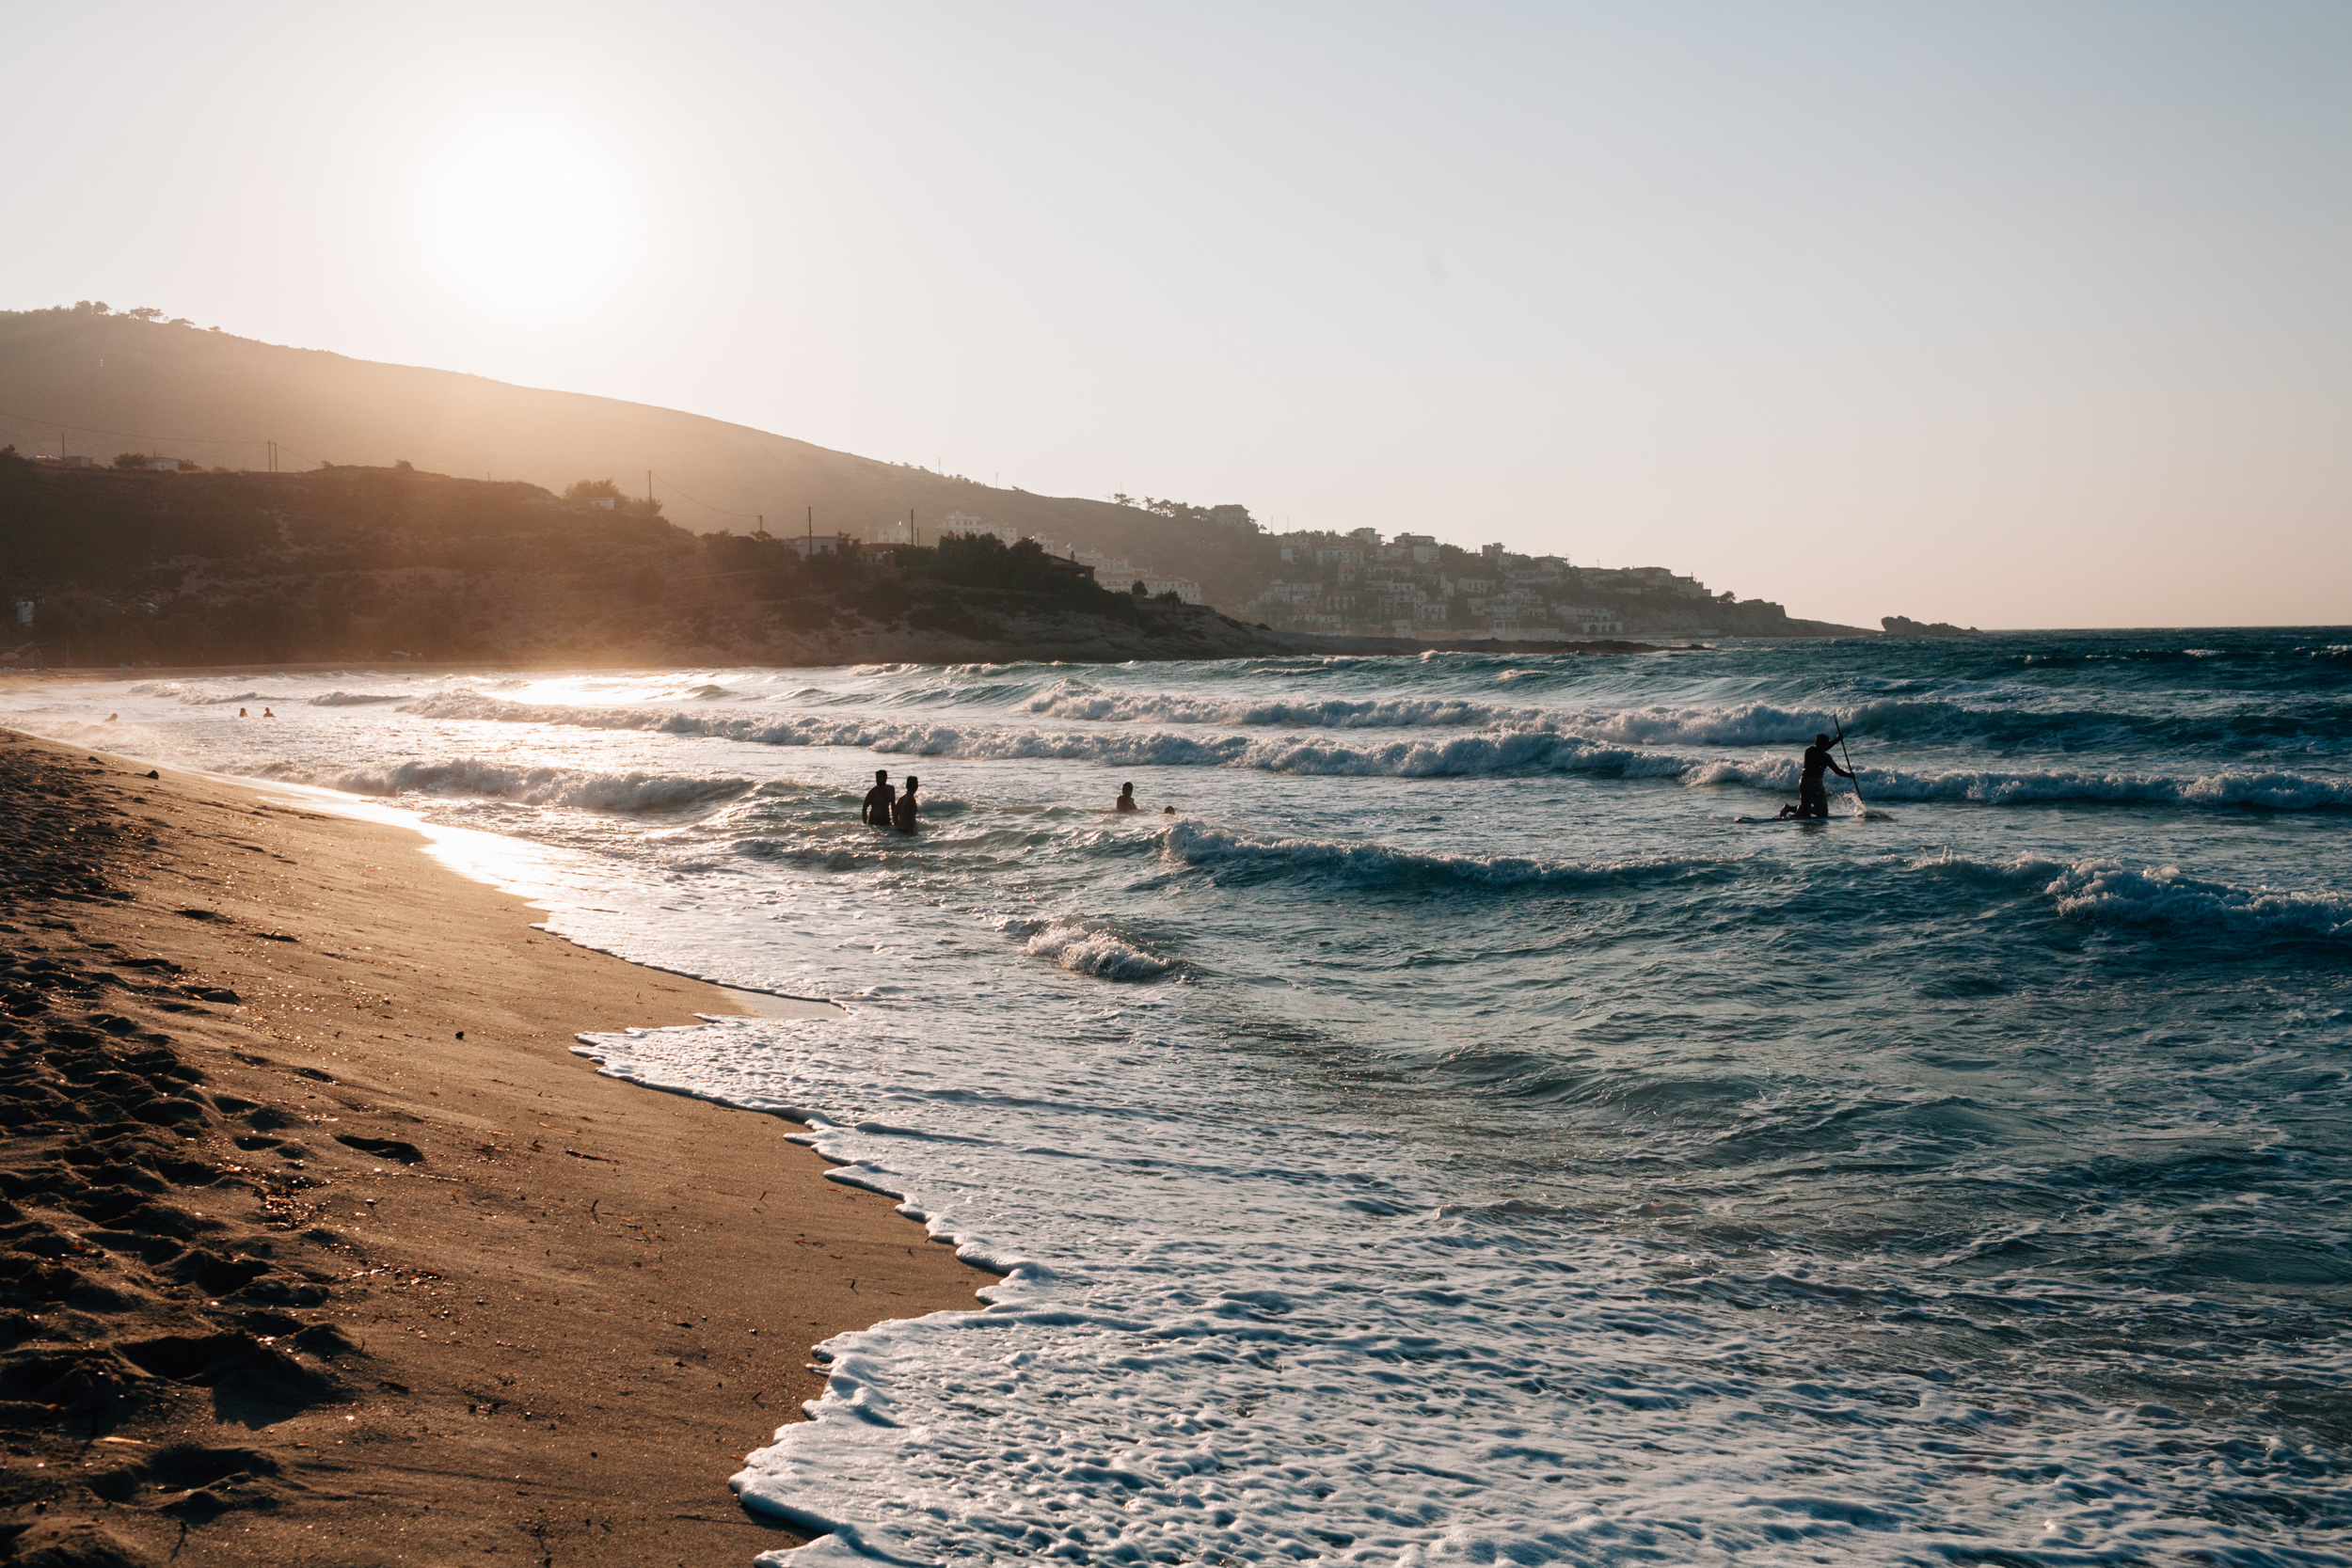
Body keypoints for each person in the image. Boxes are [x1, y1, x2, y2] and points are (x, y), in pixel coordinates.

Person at [1782, 732, 1856, 818]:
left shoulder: (1809, 751)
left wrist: (1837, 740)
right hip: (1815, 784)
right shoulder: (1826, 757)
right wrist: (1849, 775)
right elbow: (1837, 771)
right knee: (1823, 812)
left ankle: (1788, 808)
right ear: (1824, 744)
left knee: (1805, 814)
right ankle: (1801, 808)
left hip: (1803, 782)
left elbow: (1823, 748)